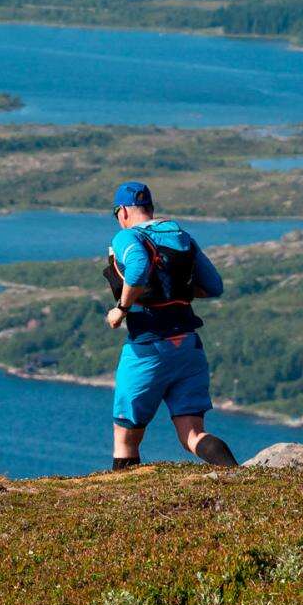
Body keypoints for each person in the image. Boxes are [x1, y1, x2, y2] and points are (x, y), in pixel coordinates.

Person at [103, 181, 237, 471]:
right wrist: (178, 293)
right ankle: (237, 477)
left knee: (126, 436)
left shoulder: (126, 238)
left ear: (123, 211)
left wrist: (121, 309)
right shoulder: (181, 237)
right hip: (188, 347)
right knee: (193, 434)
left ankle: (122, 506)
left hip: (148, 349)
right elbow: (214, 286)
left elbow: (137, 266)